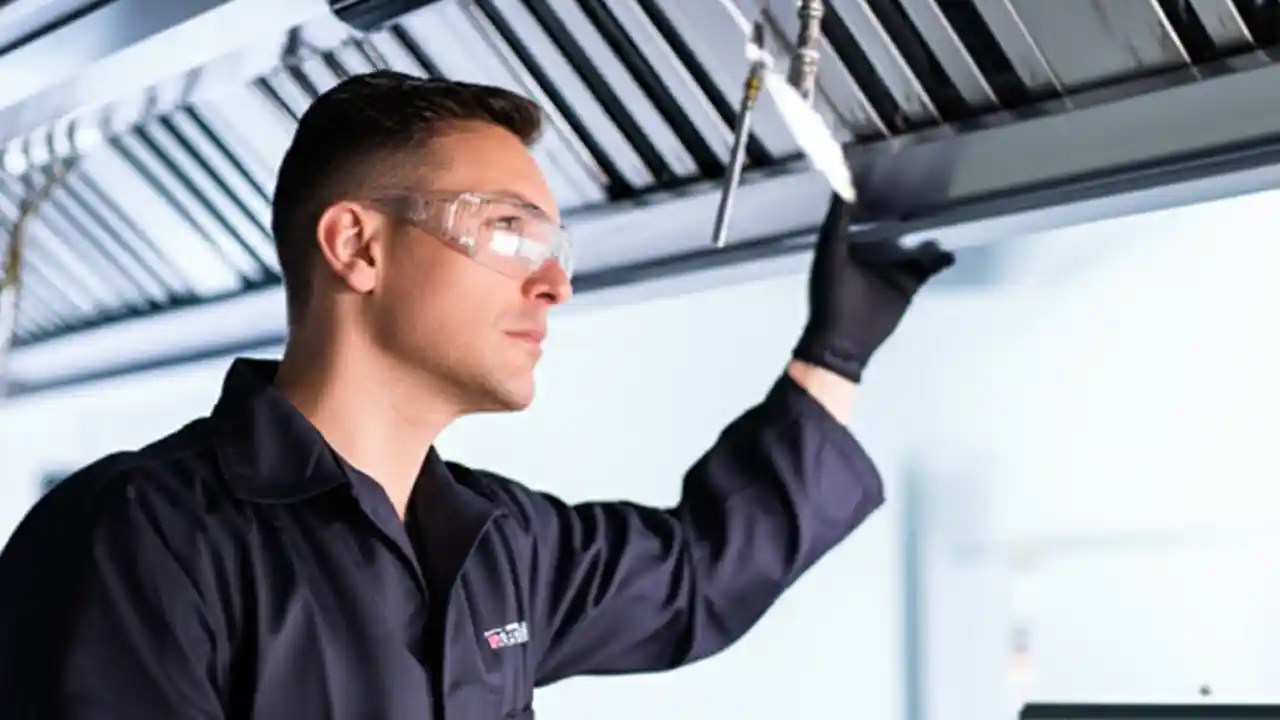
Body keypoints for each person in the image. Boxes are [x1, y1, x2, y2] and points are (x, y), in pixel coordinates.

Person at [0, 71, 952, 719]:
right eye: (507, 230)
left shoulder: (501, 544)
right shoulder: (135, 535)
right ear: (358, 247)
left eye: (554, 247)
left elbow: (701, 571)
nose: (553, 284)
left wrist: (836, 351)